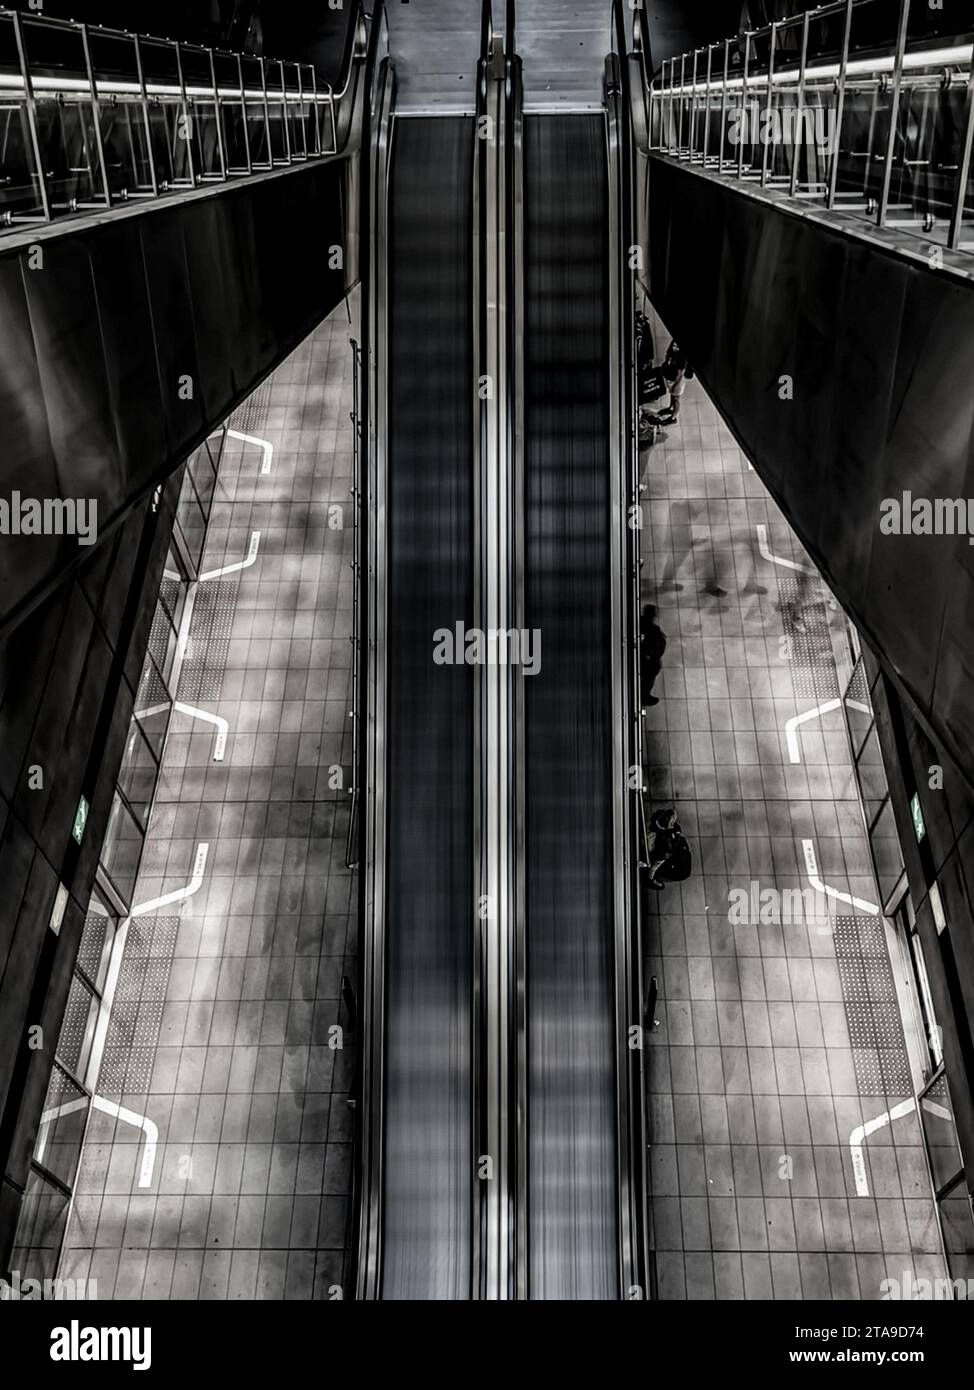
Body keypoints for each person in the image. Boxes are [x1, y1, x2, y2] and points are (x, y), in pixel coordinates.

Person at [639, 603, 667, 707]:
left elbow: (661, 643)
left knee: (654, 666)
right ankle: (644, 694)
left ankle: (645, 692)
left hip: (646, 657)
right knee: (653, 667)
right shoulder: (646, 626)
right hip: (643, 658)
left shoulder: (651, 627)